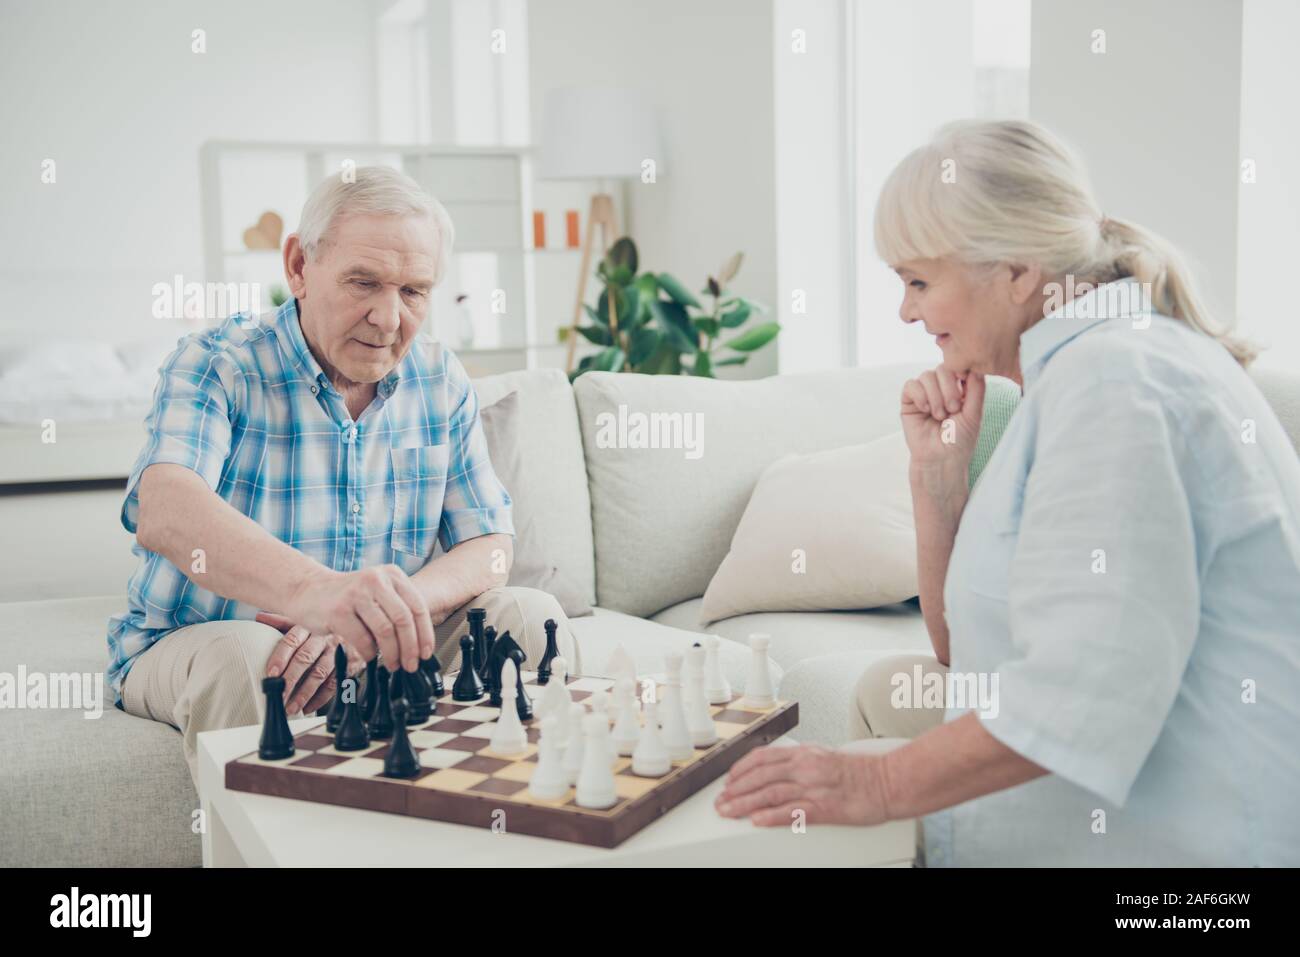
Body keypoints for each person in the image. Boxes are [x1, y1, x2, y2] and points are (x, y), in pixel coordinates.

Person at [716, 119, 1300, 865]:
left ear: (1019, 274)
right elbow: (973, 655)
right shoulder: (1074, 380)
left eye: (919, 282)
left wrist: (877, 783)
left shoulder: (1118, 385)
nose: (905, 311)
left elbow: (1082, 694)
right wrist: (939, 484)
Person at [108, 167, 578, 781]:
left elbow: (489, 548)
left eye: (414, 292)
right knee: (246, 656)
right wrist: (320, 597)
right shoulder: (217, 362)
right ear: (299, 267)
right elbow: (164, 509)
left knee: (527, 613)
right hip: (211, 637)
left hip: (375, 646)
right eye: (364, 282)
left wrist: (376, 616)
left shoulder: (440, 379)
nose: (388, 318)